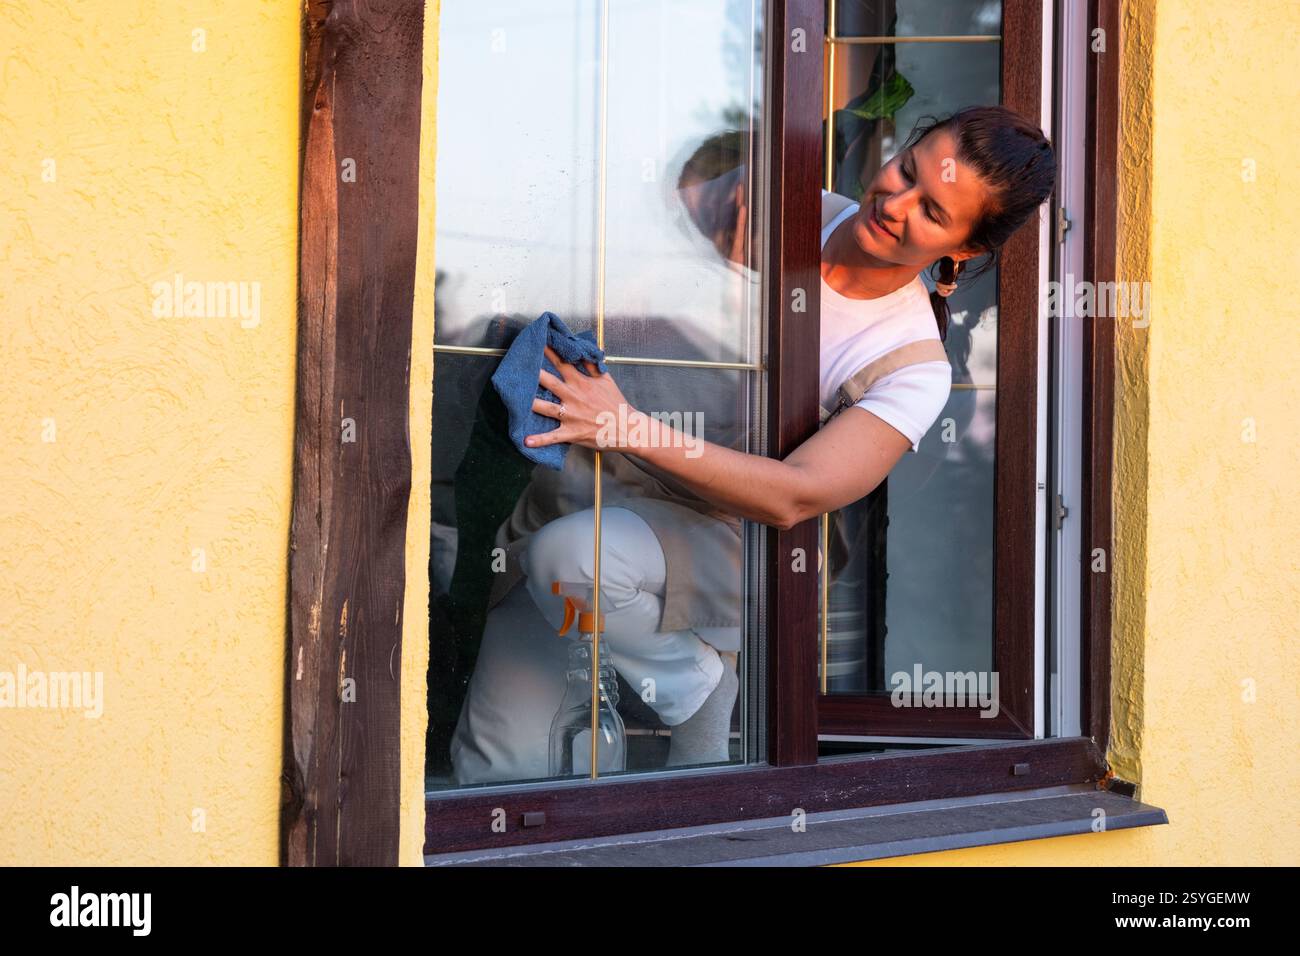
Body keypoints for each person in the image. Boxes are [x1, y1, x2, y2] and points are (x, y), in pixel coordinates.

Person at [449, 105, 1057, 785]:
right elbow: (644, 236)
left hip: (723, 535)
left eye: (933, 212)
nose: (895, 203)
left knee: (577, 559)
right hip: (590, 483)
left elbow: (795, 494)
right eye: (906, 170)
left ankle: (698, 696)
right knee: (494, 774)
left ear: (966, 248)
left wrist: (621, 423)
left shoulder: (909, 366)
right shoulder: (787, 204)